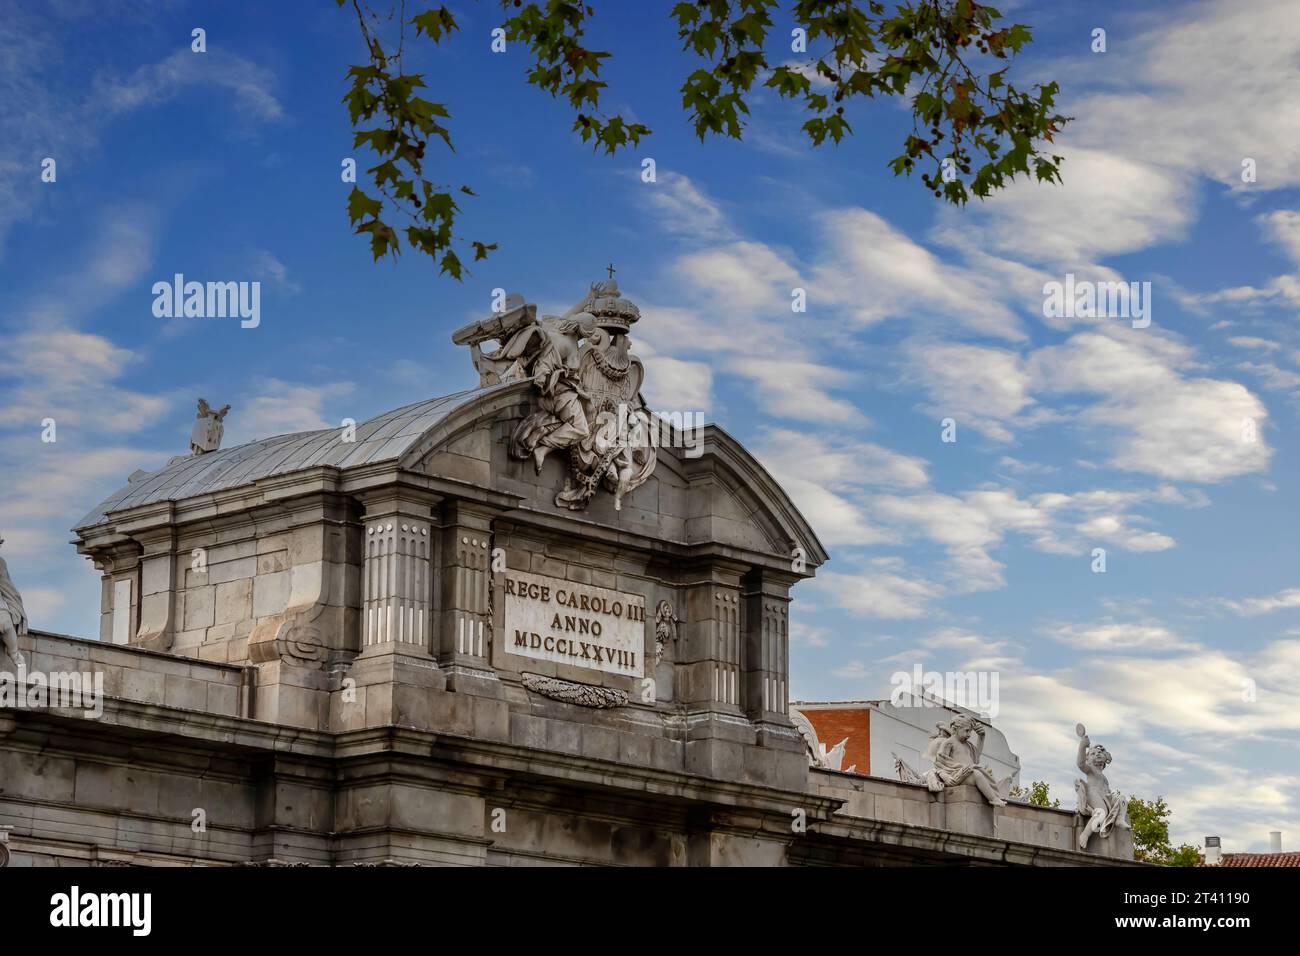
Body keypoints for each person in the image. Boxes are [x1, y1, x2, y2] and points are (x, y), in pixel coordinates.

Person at [0, 532, 28, 667]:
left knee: (5, 624)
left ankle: (14, 653)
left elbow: (6, 585)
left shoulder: (0, 562)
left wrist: (15, 604)